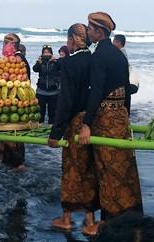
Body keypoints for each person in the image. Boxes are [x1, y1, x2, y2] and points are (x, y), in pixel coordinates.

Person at [79, 12, 142, 236]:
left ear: (99, 32)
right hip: (120, 118)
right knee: (124, 167)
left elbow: (96, 92)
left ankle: (107, 222)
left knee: (106, 170)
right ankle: (130, 216)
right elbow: (125, 89)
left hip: (105, 119)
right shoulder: (118, 55)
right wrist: (125, 114)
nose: (87, 31)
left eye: (90, 28)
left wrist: (86, 123)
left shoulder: (98, 56)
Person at [47, 23, 98, 231]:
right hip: (93, 122)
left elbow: (66, 101)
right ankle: (90, 219)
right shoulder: (94, 60)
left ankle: (66, 218)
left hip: (75, 123)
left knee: (71, 169)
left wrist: (55, 133)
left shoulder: (70, 64)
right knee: (89, 168)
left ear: (73, 40)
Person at [0, 33, 30, 170]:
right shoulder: (17, 59)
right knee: (16, 134)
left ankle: (17, 163)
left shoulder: (17, 60)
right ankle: (14, 161)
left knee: (9, 133)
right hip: (16, 106)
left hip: (13, 104)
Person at [33, 44, 60, 124]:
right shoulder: (41, 62)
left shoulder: (55, 62)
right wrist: (39, 63)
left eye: (48, 52)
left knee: (52, 112)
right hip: (41, 90)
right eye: (44, 52)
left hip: (53, 91)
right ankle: (40, 125)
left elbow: (61, 67)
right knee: (40, 111)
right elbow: (35, 69)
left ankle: (51, 127)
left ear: (51, 53)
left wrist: (55, 61)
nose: (46, 54)